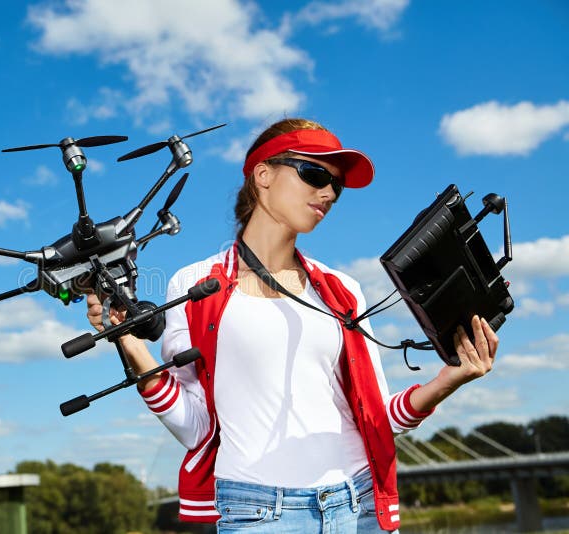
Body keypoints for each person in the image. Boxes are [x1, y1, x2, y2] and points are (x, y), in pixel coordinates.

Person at [86, 118, 498, 533]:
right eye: (314, 173)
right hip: (258, 512)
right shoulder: (193, 286)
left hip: (359, 507)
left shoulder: (343, 290)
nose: (328, 193)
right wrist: (131, 346)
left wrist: (449, 379)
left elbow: (376, 417)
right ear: (262, 175)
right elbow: (195, 427)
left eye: (335, 185)